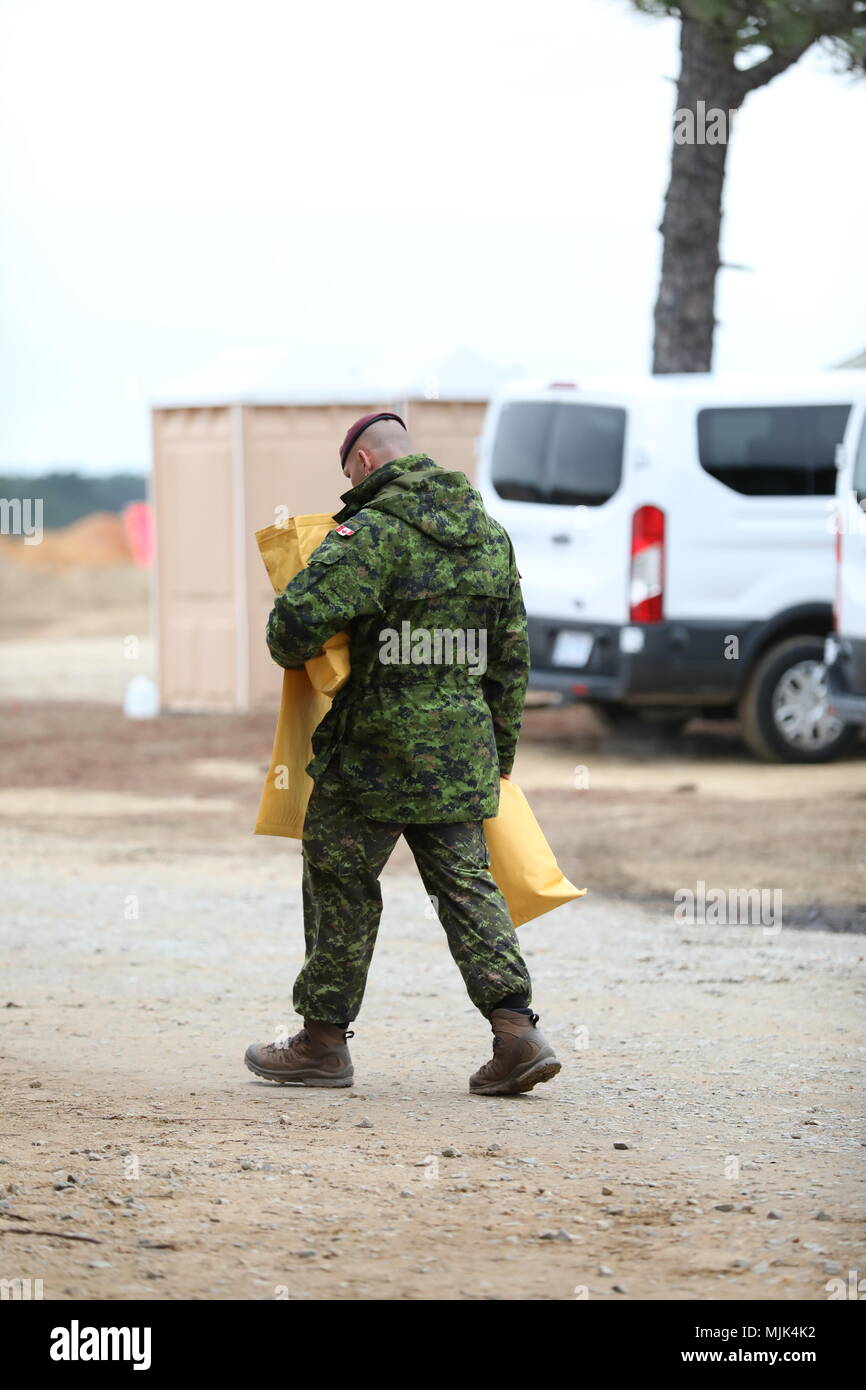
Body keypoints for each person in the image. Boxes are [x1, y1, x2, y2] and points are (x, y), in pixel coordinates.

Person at [244, 412, 561, 1095]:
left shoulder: (372, 535)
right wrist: (499, 753)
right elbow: (511, 656)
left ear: (362, 464)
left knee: (340, 879)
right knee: (466, 886)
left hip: (375, 749)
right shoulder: (488, 534)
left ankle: (323, 1043)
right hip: (463, 745)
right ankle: (517, 1032)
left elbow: (289, 631)